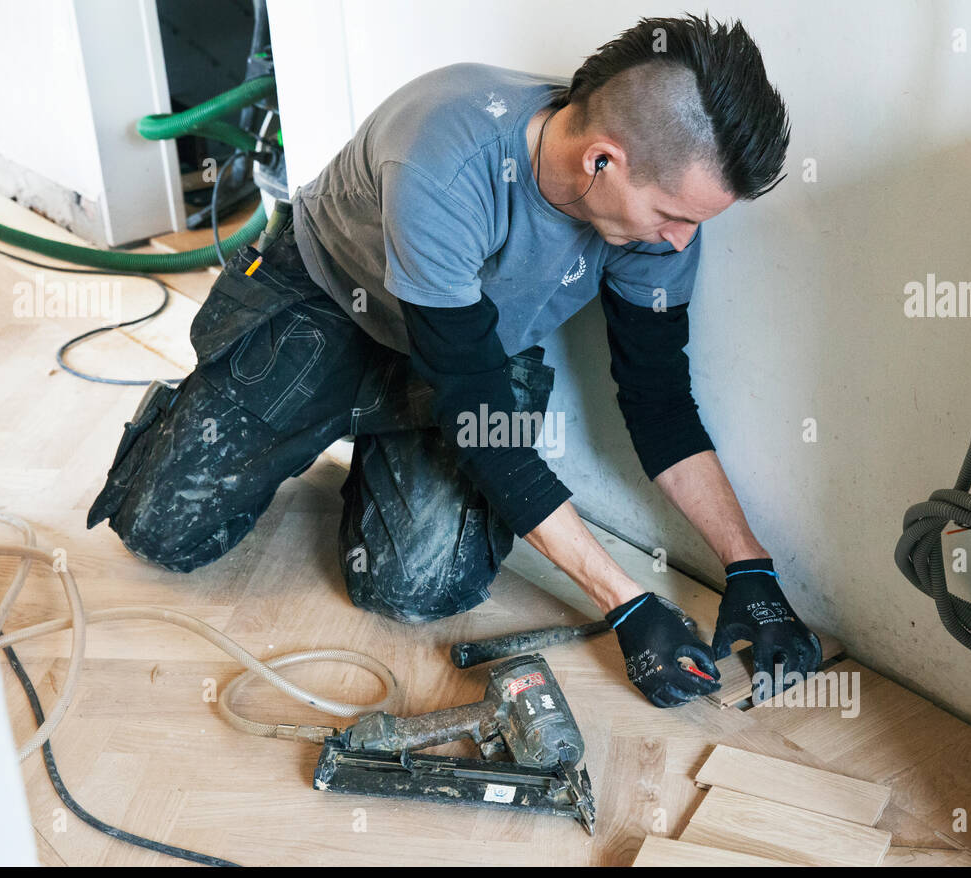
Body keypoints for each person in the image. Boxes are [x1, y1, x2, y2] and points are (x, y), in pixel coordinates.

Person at [87, 14, 821, 708]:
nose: (682, 243)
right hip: (327, 307)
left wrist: (748, 565)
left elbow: (657, 399)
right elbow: (477, 414)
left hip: (458, 358)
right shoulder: (448, 153)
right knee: (162, 533)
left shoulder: (650, 233)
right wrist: (625, 602)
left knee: (416, 588)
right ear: (603, 160)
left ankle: (382, 444)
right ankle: (269, 416)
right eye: (675, 216)